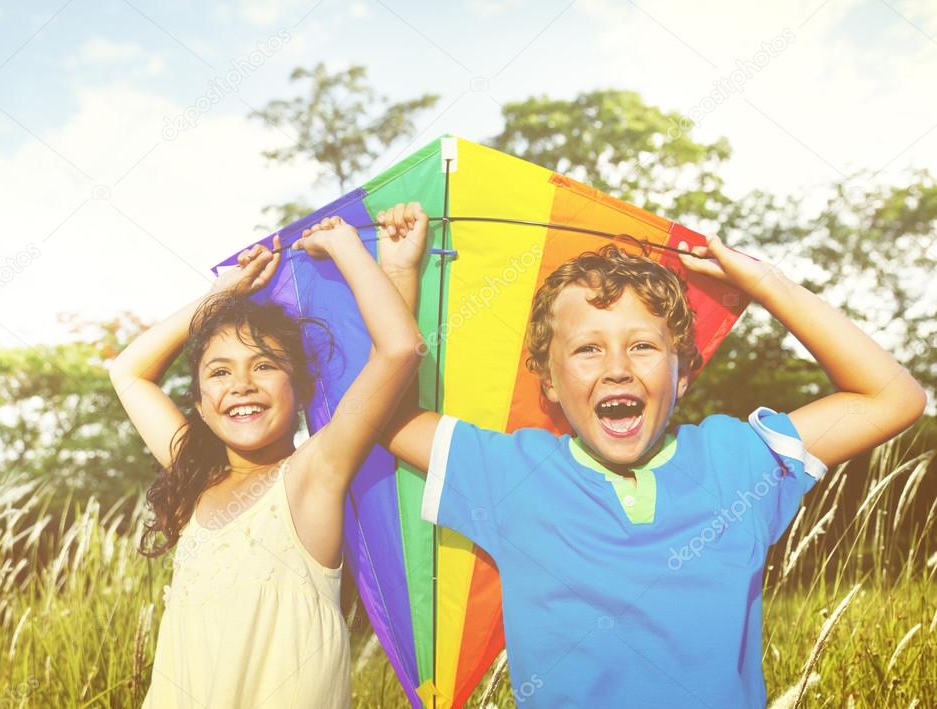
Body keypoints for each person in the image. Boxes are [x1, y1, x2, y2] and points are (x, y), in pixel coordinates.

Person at [375, 203, 926, 708]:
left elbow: (893, 396)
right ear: (548, 380)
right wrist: (399, 272)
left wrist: (763, 282)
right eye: (588, 348)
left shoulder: (736, 461)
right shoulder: (510, 474)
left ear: (682, 373)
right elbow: (385, 415)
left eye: (642, 345)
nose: (617, 367)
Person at [109, 216, 423, 708]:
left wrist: (348, 248)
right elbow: (128, 371)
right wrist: (219, 296)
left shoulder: (313, 475)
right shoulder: (195, 479)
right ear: (199, 404)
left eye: (264, 365)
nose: (241, 385)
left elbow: (400, 350)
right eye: (219, 372)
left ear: (301, 391)